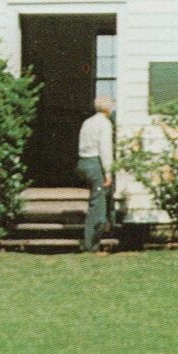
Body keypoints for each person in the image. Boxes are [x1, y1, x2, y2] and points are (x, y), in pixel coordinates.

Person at [77, 96, 115, 250]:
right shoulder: (104, 124)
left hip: (83, 161)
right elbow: (105, 149)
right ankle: (91, 244)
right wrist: (108, 172)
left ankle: (98, 234)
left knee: (99, 199)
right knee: (98, 205)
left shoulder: (88, 121)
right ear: (107, 108)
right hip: (95, 163)